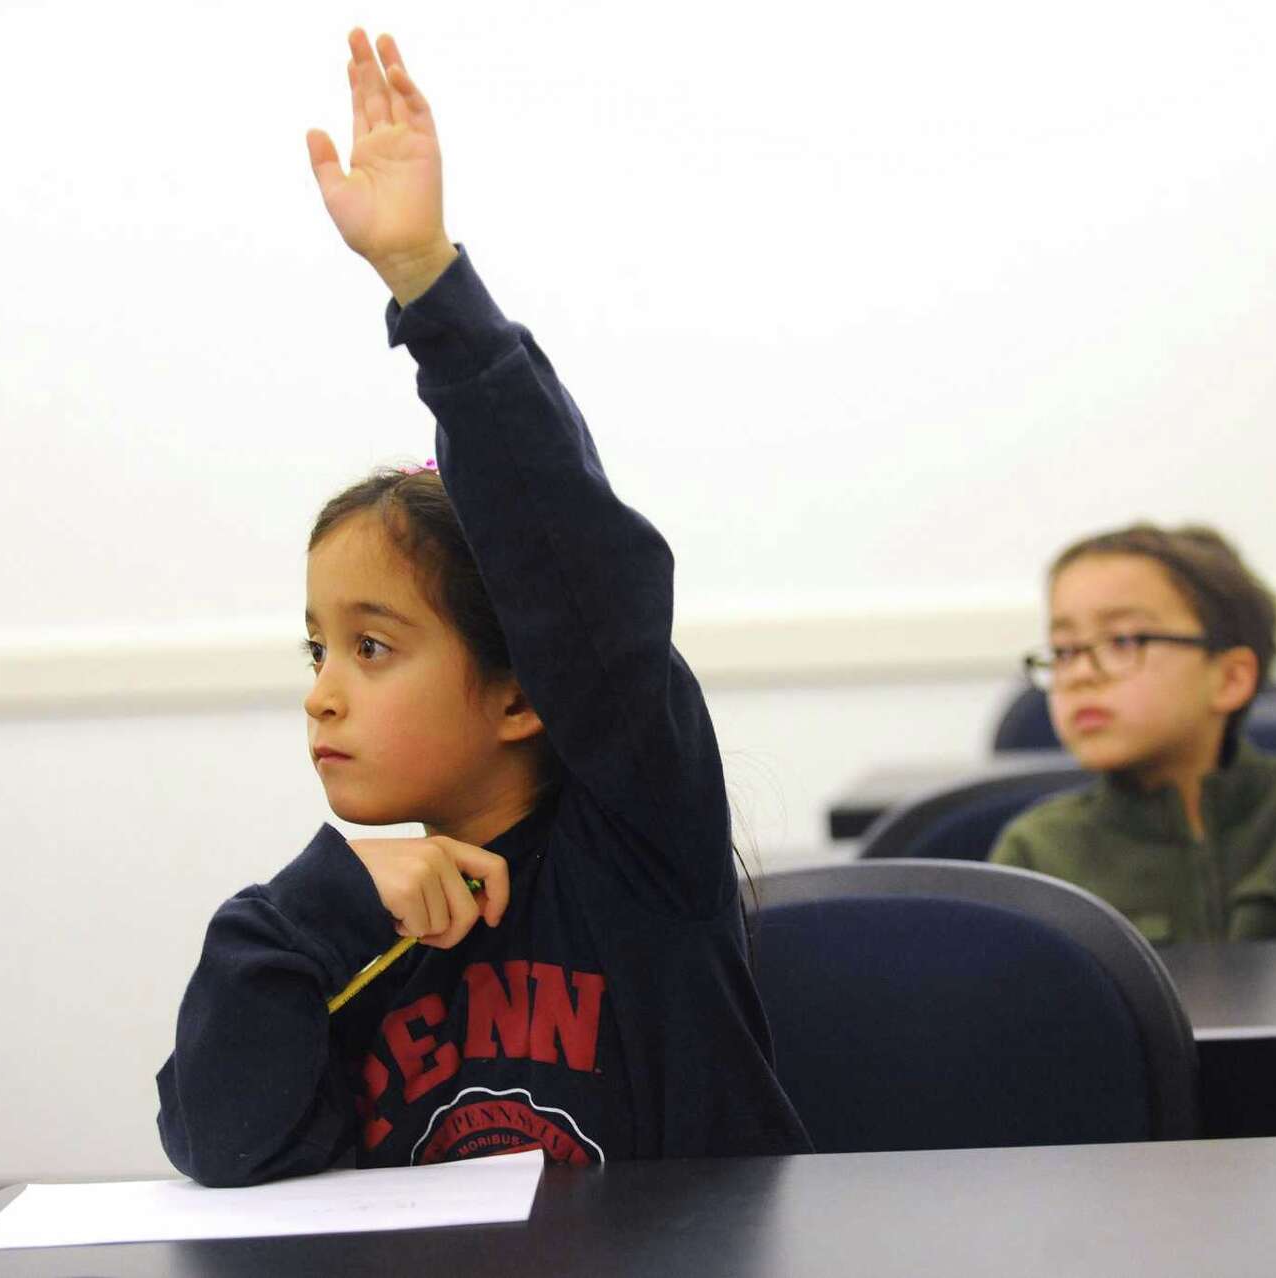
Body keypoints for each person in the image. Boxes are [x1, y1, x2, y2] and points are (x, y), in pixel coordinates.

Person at [155, 28, 809, 1185]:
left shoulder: (638, 855)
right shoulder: (353, 929)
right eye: (317, 650)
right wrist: (321, 903)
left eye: (371, 646)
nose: (321, 694)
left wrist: (428, 284)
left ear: (520, 692)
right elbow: (226, 1151)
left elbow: (576, 569)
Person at [990, 524, 1276, 943]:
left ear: (1230, 679)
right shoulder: (1036, 850)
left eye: (1123, 641)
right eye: (1064, 650)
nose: (1080, 674)